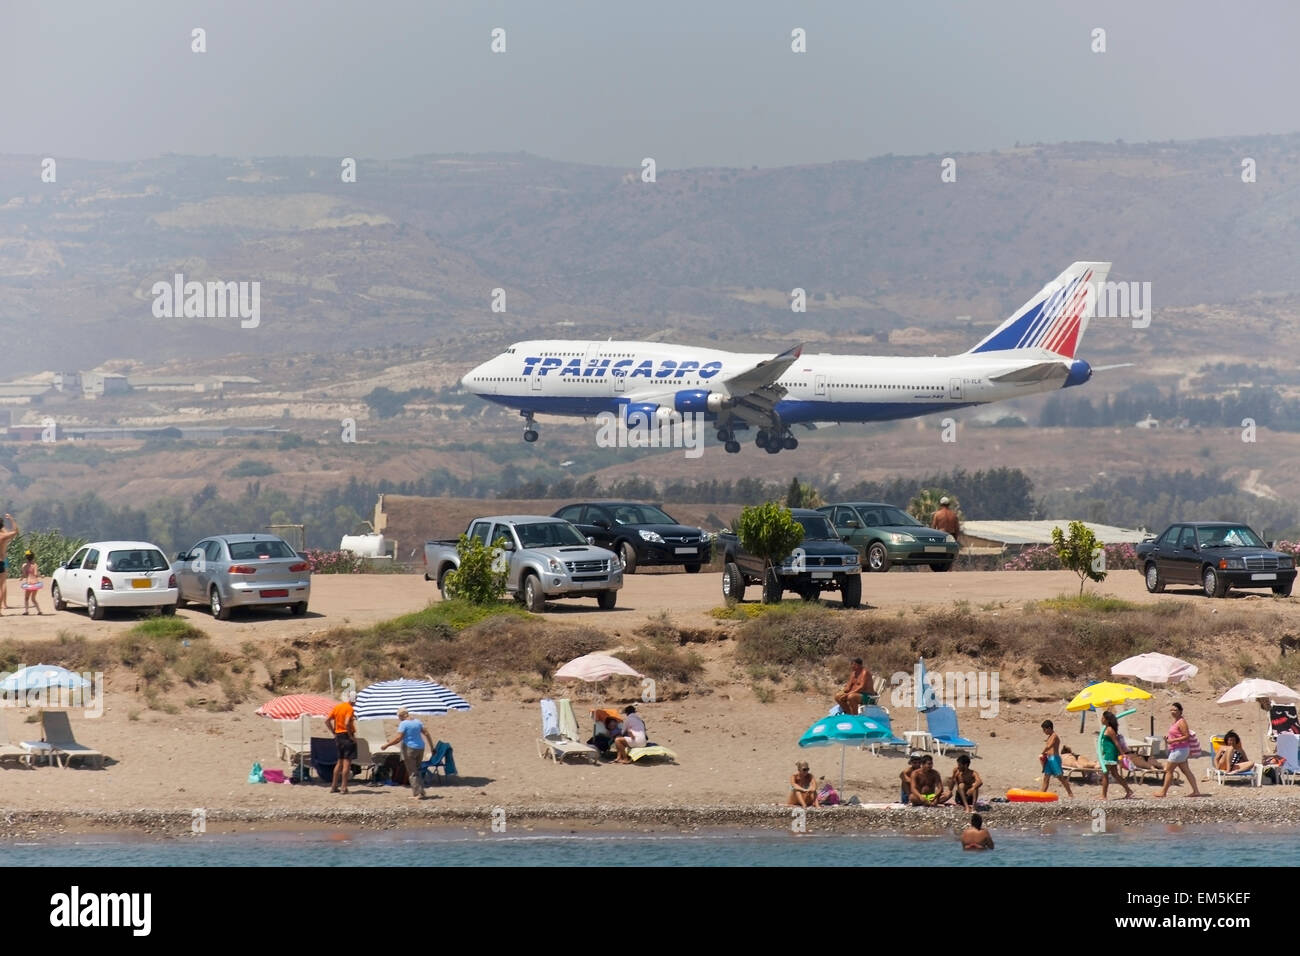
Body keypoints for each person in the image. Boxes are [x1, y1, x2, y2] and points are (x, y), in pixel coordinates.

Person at [383, 707, 435, 799]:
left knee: (412, 772)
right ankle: (421, 792)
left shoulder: (404, 724)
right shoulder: (418, 722)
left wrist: (387, 745)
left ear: (401, 715)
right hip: (420, 748)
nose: (398, 718)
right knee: (418, 770)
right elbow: (427, 733)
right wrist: (432, 747)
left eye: (398, 716)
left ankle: (417, 794)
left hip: (409, 749)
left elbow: (398, 738)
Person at [1157, 702, 1203, 798]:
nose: (1173, 712)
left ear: (1180, 711)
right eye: (1171, 710)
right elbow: (1177, 733)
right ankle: (1196, 791)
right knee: (1186, 771)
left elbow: (1186, 736)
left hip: (1179, 750)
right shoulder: (1176, 721)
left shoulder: (1181, 722)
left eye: (1175, 710)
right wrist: (1168, 737)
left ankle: (1163, 792)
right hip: (1179, 749)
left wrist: (1172, 740)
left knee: (1169, 770)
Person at [1099, 710, 1137, 800]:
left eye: (1103, 718)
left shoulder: (1109, 730)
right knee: (1115, 774)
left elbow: (1116, 743)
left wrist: (1122, 754)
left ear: (1107, 720)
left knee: (1105, 774)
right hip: (1109, 753)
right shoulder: (1107, 728)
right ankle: (1129, 791)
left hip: (1110, 754)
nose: (1101, 719)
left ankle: (1103, 796)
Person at [325, 692, 357, 794]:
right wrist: (351, 736)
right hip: (347, 736)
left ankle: (334, 786)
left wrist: (333, 732)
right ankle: (343, 787)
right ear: (353, 700)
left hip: (338, 736)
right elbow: (347, 722)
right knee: (347, 763)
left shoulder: (338, 707)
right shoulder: (350, 709)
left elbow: (327, 721)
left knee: (339, 762)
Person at [1040, 720, 1073, 796]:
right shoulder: (1049, 737)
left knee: (1060, 777)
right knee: (1046, 777)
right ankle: (1042, 794)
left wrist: (1042, 752)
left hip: (1054, 759)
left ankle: (1070, 794)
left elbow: (1049, 746)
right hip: (1049, 759)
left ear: (1049, 728)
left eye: (1044, 729)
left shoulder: (1054, 736)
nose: (1044, 732)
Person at [0, 514, 20, 614]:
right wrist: (12, 519)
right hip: (1, 561)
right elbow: (16, 531)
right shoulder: (3, 536)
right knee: (2, 584)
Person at [19, 550, 42, 616]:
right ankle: (39, 610)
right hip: (35, 583)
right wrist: (41, 576)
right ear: (33, 557)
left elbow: (24, 575)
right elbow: (36, 574)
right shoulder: (35, 565)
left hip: (29, 584)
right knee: (33, 599)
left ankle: (26, 611)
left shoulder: (24, 565)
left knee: (26, 598)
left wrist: (21, 578)